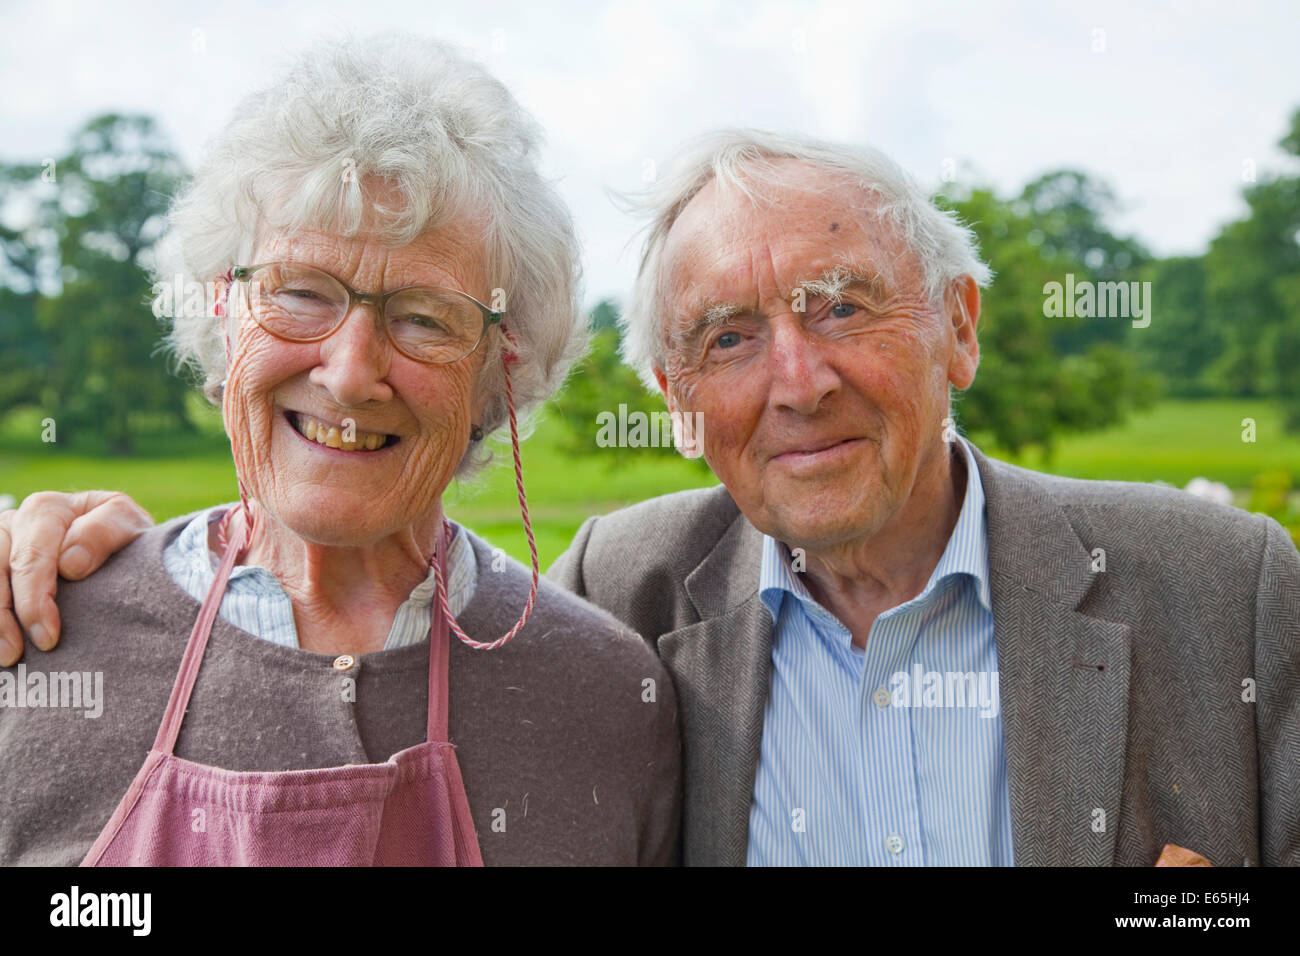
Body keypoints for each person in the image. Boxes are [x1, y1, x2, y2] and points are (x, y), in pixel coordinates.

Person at [9, 130, 1299, 867]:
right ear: (678, 399)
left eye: (841, 306)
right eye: (728, 338)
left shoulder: (1224, 585)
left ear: (957, 328)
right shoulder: (613, 602)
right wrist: (72, 537)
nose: (795, 381)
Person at [0, 34, 679, 866]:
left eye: (425, 317)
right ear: (223, 311)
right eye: (299, 292)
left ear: (498, 372)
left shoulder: (608, 697)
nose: (352, 374)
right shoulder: (37, 638)